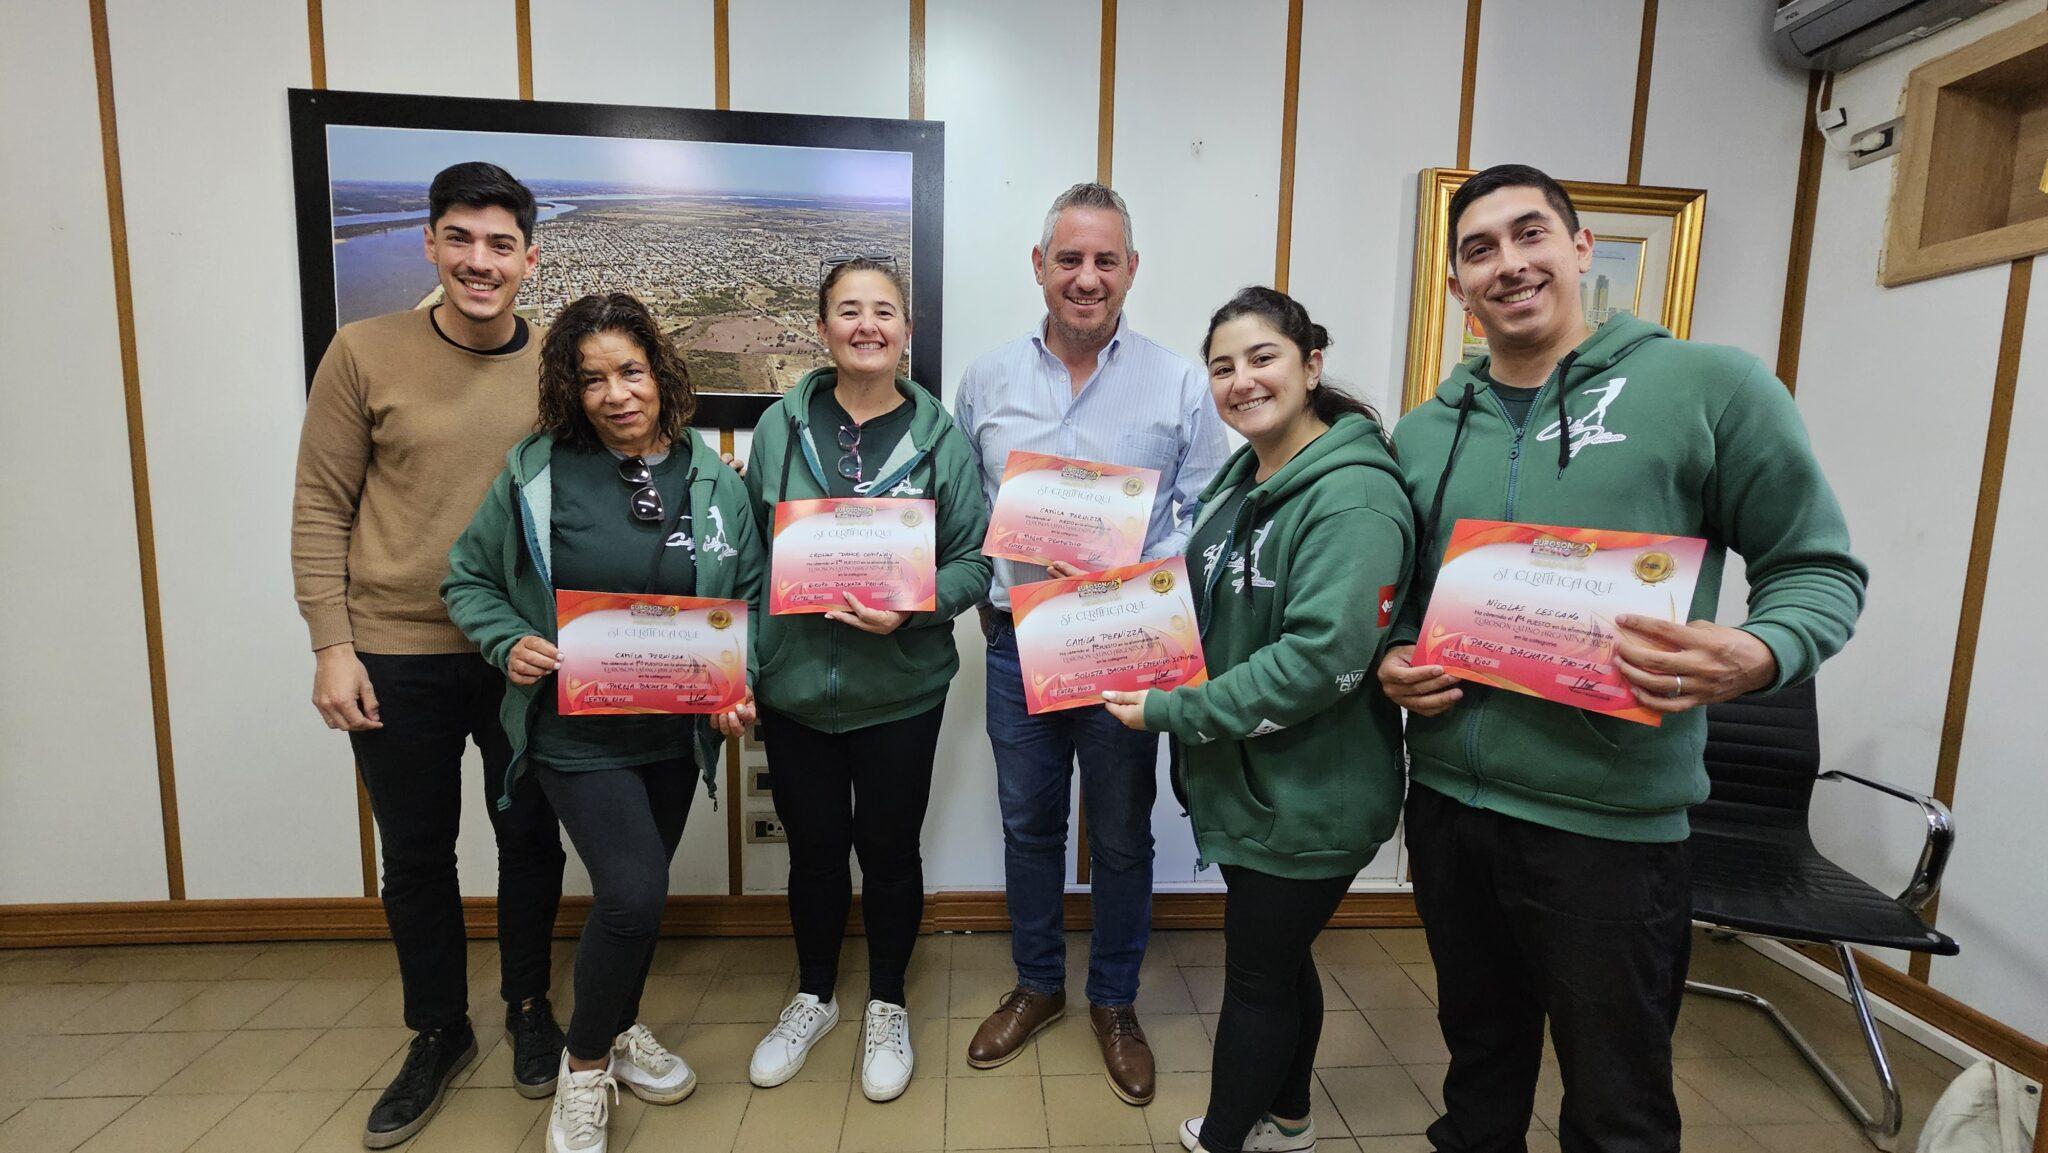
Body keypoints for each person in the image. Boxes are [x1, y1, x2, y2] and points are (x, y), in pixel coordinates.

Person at [1377, 163, 1869, 1153]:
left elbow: (1816, 569)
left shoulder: (1705, 385)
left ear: (1577, 249)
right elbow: (1407, 598)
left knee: (1615, 1098)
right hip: (1448, 807)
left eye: (1528, 235)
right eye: (1478, 249)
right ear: (1455, 284)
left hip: (1608, 823)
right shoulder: (1424, 432)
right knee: (1477, 1067)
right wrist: (1393, 657)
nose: (1507, 264)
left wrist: (1755, 651)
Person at [443, 292, 763, 1153]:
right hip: (573, 734)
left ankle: (619, 1027)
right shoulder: (537, 472)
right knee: (634, 893)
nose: (617, 393)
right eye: (592, 379)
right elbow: (466, 579)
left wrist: (741, 682)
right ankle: (585, 1070)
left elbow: (750, 601)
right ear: (569, 389)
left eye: (630, 371)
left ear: (661, 373)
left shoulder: (715, 479)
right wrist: (506, 638)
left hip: (672, 733)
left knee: (638, 902)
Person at [291, 161, 570, 1148]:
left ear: (530, 259)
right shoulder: (363, 352)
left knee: (529, 839)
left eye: (500, 244)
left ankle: (529, 1008)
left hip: (520, 656)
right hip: (394, 649)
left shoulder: (558, 368)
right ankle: (437, 1027)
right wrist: (332, 645)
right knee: (415, 854)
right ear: (430, 243)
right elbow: (321, 503)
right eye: (461, 238)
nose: (478, 261)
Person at [1100, 287, 1414, 1153]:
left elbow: (1316, 661)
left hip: (1311, 792)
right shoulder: (1246, 476)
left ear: (1312, 364)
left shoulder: (1352, 497)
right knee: (1281, 964)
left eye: (1263, 358)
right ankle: (1291, 1117)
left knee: (1258, 979)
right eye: (1223, 366)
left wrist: (1170, 707)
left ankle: (1225, 1136)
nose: (1242, 381)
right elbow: (1209, 609)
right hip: (1249, 781)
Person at [952, 182, 1230, 1105]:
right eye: (1068, 258)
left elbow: (1211, 511)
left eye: (1105, 259)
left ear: (1131, 270)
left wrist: (1132, 565)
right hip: (1016, 646)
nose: (1086, 277)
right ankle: (1037, 985)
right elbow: (967, 506)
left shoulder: (1183, 383)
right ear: (1040, 266)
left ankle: (1113, 999)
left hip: (1125, 645)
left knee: (1119, 836)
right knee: (1029, 825)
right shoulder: (987, 379)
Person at [740, 257, 991, 1103]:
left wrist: (914, 608)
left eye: (884, 311)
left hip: (901, 692)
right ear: (822, 329)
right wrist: (744, 663)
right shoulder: (778, 429)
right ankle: (813, 995)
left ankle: (887, 1000)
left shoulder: (941, 437)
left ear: (906, 333)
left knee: (888, 852)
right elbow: (750, 555)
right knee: (813, 853)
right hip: (796, 689)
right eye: (849, 310)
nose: (867, 325)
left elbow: (974, 562)